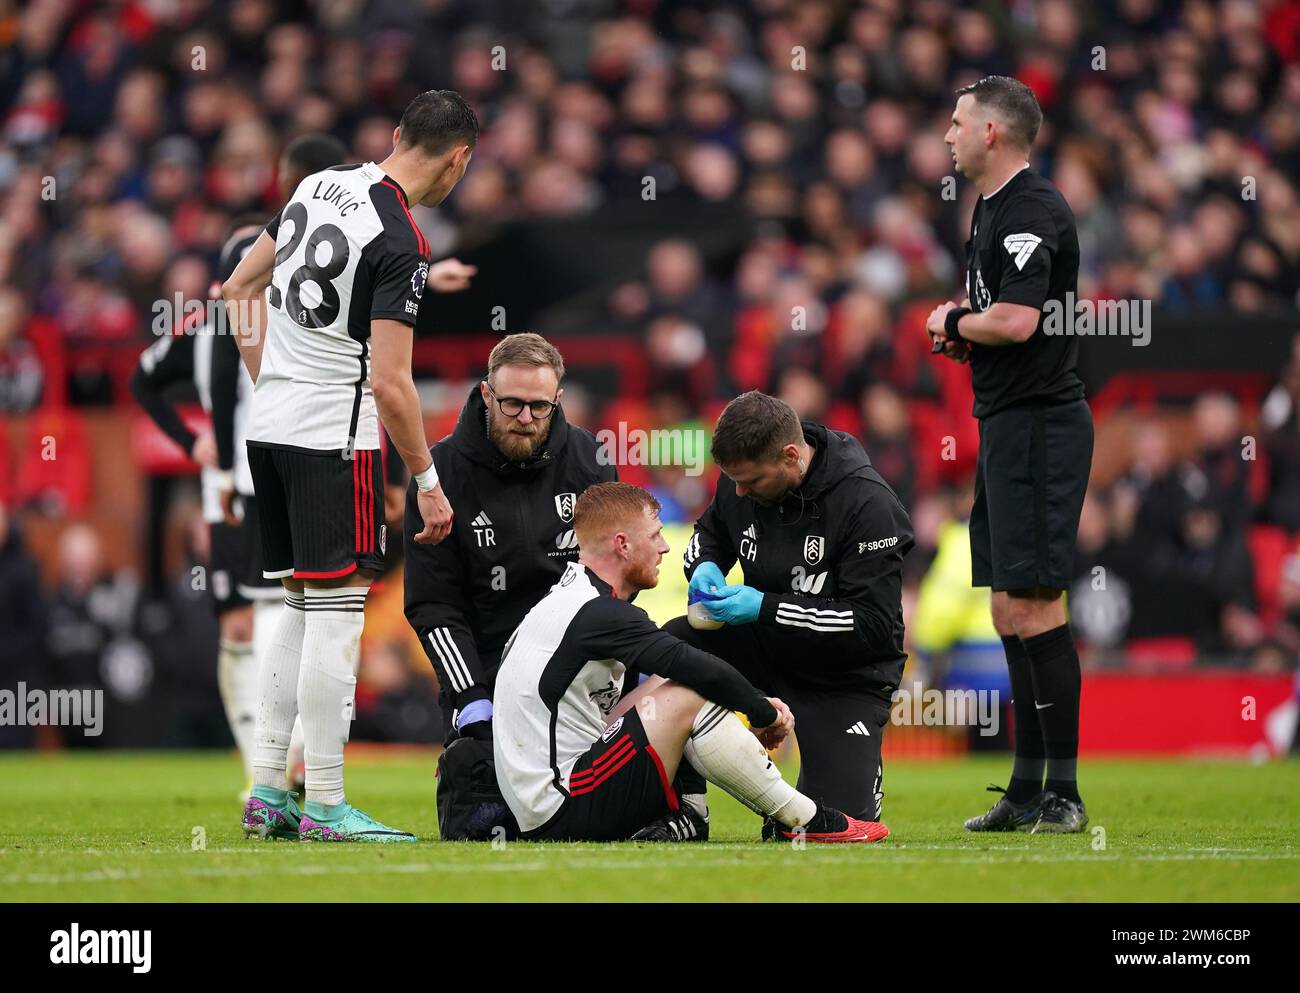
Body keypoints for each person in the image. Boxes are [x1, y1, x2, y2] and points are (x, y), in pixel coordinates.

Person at [223, 89, 476, 842]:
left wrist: (270, 380)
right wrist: (428, 481)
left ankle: (268, 792)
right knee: (336, 618)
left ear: (397, 135)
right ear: (459, 160)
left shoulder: (313, 184)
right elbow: (392, 384)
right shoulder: (402, 238)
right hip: (335, 434)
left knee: (301, 608)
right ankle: (327, 806)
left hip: (269, 428)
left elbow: (239, 285)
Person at [492, 481, 889, 843]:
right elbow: (696, 667)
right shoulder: (598, 612)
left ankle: (690, 817)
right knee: (688, 684)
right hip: (562, 806)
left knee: (668, 685)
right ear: (622, 544)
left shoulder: (569, 597)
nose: (665, 546)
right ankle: (805, 818)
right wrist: (763, 712)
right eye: (655, 535)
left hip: (543, 801)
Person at [928, 75, 1093, 833]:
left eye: (958, 123)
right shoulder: (990, 210)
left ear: (993, 131)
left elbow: (1020, 321)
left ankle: (1062, 792)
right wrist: (967, 337)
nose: (948, 135)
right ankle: (1027, 791)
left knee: (1035, 604)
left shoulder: (1030, 207)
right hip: (1007, 420)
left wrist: (956, 320)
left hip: (1039, 425)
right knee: (1004, 605)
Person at [654, 390, 913, 837]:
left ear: (791, 457)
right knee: (673, 643)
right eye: (732, 480)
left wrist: (765, 607)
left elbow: (872, 627)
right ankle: (687, 808)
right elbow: (709, 534)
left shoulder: (868, 504)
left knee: (823, 828)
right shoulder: (743, 472)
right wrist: (703, 566)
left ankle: (831, 789)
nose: (739, 491)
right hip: (765, 649)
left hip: (845, 673)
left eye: (751, 482)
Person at [403, 333, 615, 744]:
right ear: (486, 393)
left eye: (540, 406)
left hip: (576, 671)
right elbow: (433, 604)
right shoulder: (437, 476)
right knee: (481, 804)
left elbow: (613, 578)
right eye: (512, 403)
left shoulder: (590, 460)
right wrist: (470, 698)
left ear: (558, 399)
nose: (525, 418)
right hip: (486, 673)